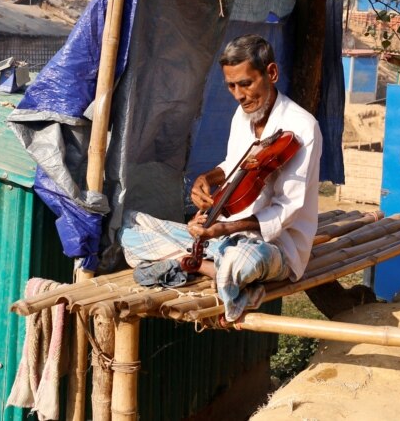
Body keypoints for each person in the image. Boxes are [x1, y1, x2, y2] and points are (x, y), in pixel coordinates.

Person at [120, 34, 322, 322]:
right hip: (226, 235)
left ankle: (203, 264)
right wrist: (207, 178)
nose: (239, 95)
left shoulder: (303, 127)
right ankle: (206, 264)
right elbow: (234, 165)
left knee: (243, 261)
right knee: (130, 228)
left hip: (275, 247)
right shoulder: (243, 115)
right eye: (231, 86)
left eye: (246, 83)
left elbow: (286, 212)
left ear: (271, 73)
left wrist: (224, 228)